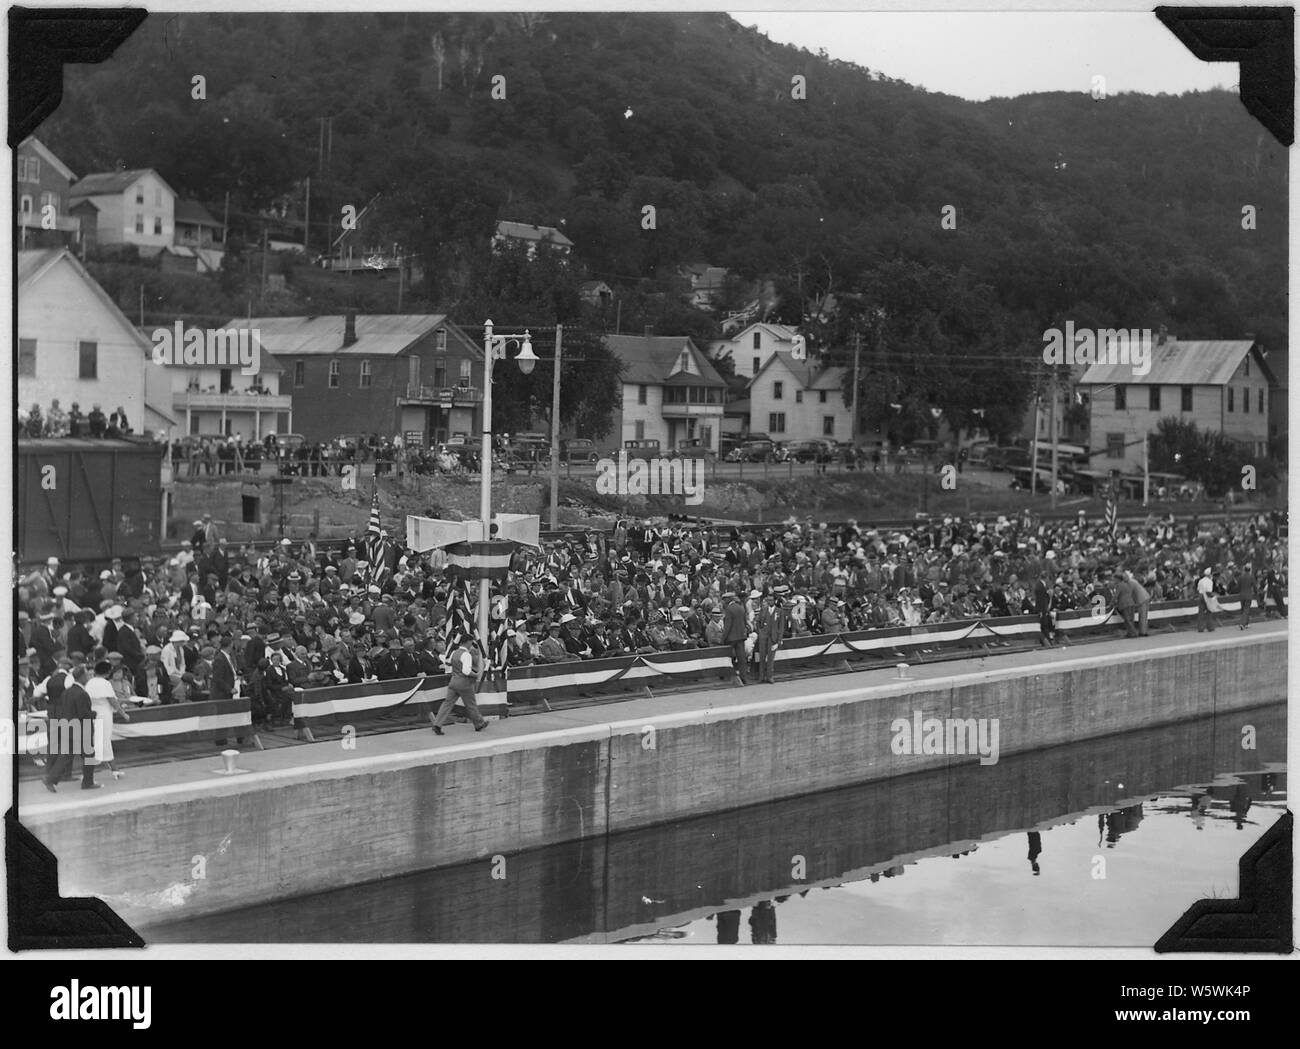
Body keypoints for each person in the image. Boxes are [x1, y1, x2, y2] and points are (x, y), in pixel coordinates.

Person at [42, 666, 99, 792]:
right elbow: (83, 714)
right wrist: (94, 714)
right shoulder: (82, 693)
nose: (88, 677)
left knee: (66, 756)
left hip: (68, 727)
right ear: (82, 677)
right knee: (89, 755)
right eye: (87, 675)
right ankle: (87, 782)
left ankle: (51, 779)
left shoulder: (66, 692)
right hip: (81, 729)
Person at [431, 634, 487, 735]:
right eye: (471, 642)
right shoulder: (466, 655)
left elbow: (449, 663)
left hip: (453, 681)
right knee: (471, 704)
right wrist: (476, 674)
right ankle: (479, 723)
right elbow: (466, 671)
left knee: (447, 704)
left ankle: (437, 724)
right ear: (468, 642)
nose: (471, 645)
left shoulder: (454, 652)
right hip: (464, 682)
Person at [84, 659, 129, 779]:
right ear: (108, 672)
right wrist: (123, 714)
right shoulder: (105, 683)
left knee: (96, 743)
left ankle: (109, 770)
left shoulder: (90, 683)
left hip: (93, 714)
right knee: (104, 742)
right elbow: (112, 700)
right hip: (104, 714)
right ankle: (113, 769)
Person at [755, 591, 787, 685]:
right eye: (768, 600)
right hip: (763, 637)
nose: (769, 602)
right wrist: (760, 632)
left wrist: (779, 639)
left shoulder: (779, 611)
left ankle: (770, 676)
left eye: (771, 600)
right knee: (762, 657)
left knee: (770, 658)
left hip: (773, 638)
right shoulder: (763, 610)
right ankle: (761, 677)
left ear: (775, 600)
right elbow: (758, 622)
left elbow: (781, 627)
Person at [722, 591, 749, 684]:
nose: (724, 601)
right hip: (741, 637)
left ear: (729, 599)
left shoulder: (729, 609)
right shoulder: (741, 607)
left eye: (725, 599)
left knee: (730, 658)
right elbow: (745, 622)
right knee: (742, 659)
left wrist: (723, 638)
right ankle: (743, 677)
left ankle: (733, 677)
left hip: (731, 638)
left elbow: (728, 626)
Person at [1196, 567, 1217, 632]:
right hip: (1206, 597)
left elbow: (1198, 589)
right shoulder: (1210, 581)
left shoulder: (1200, 580)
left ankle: (1200, 628)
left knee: (1201, 613)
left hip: (1200, 596)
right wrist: (1213, 596)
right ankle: (1210, 627)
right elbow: (1208, 592)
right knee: (1209, 612)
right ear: (1209, 574)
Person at [1237, 564, 1256, 630]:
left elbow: (1238, 586)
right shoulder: (1251, 577)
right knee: (1246, 610)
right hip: (1248, 595)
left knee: (1243, 610)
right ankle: (1242, 624)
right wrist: (1256, 593)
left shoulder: (1240, 577)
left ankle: (1246, 624)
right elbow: (1254, 586)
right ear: (1250, 570)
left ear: (1244, 569)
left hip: (1241, 595)